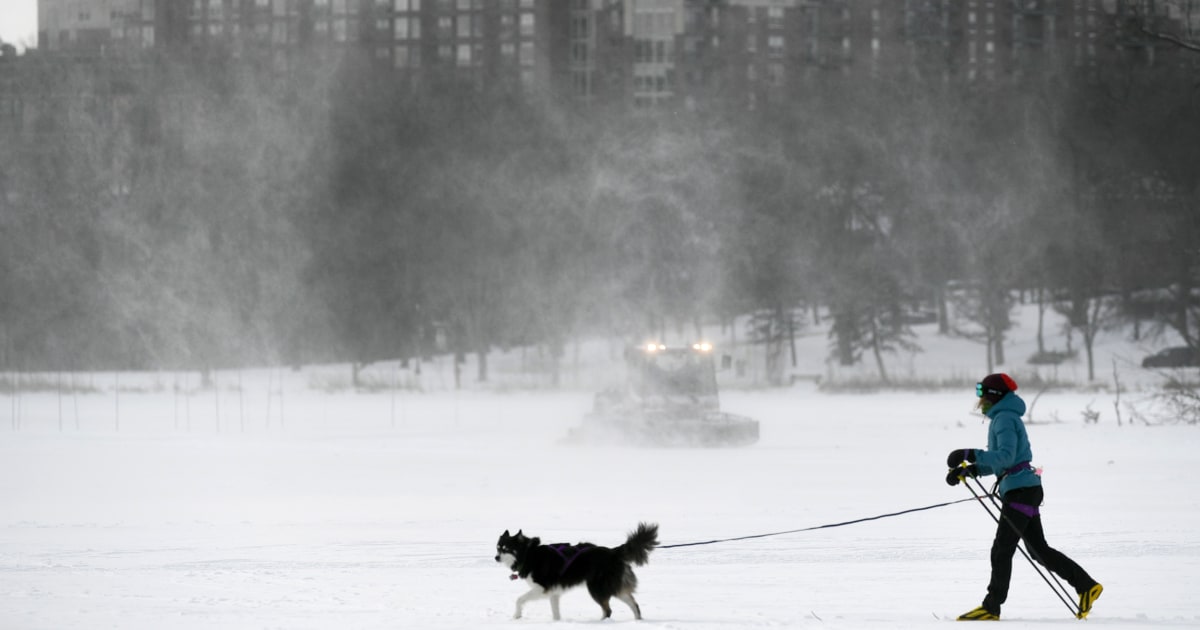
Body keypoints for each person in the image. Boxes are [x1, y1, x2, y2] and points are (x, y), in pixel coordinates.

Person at [945, 373, 1103, 621]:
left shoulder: (1004, 419)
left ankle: (991, 607)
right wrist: (972, 469)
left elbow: (1005, 457)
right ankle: (1086, 586)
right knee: (1038, 550)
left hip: (1020, 491)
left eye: (982, 393)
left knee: (1001, 550)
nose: (980, 399)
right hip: (1025, 488)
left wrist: (969, 454)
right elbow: (1002, 461)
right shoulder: (1003, 417)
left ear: (994, 395)